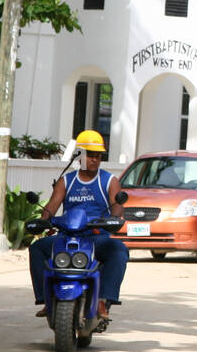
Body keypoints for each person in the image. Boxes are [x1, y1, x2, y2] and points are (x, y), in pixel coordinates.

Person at [29, 130, 128, 320]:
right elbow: (51, 207)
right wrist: (43, 221)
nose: (95, 160)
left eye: (98, 156)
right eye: (90, 155)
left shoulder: (109, 180)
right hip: (67, 234)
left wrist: (114, 220)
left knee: (119, 251)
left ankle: (102, 299)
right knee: (37, 249)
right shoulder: (66, 180)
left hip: (96, 235)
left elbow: (117, 207)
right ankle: (46, 299)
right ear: (79, 156)